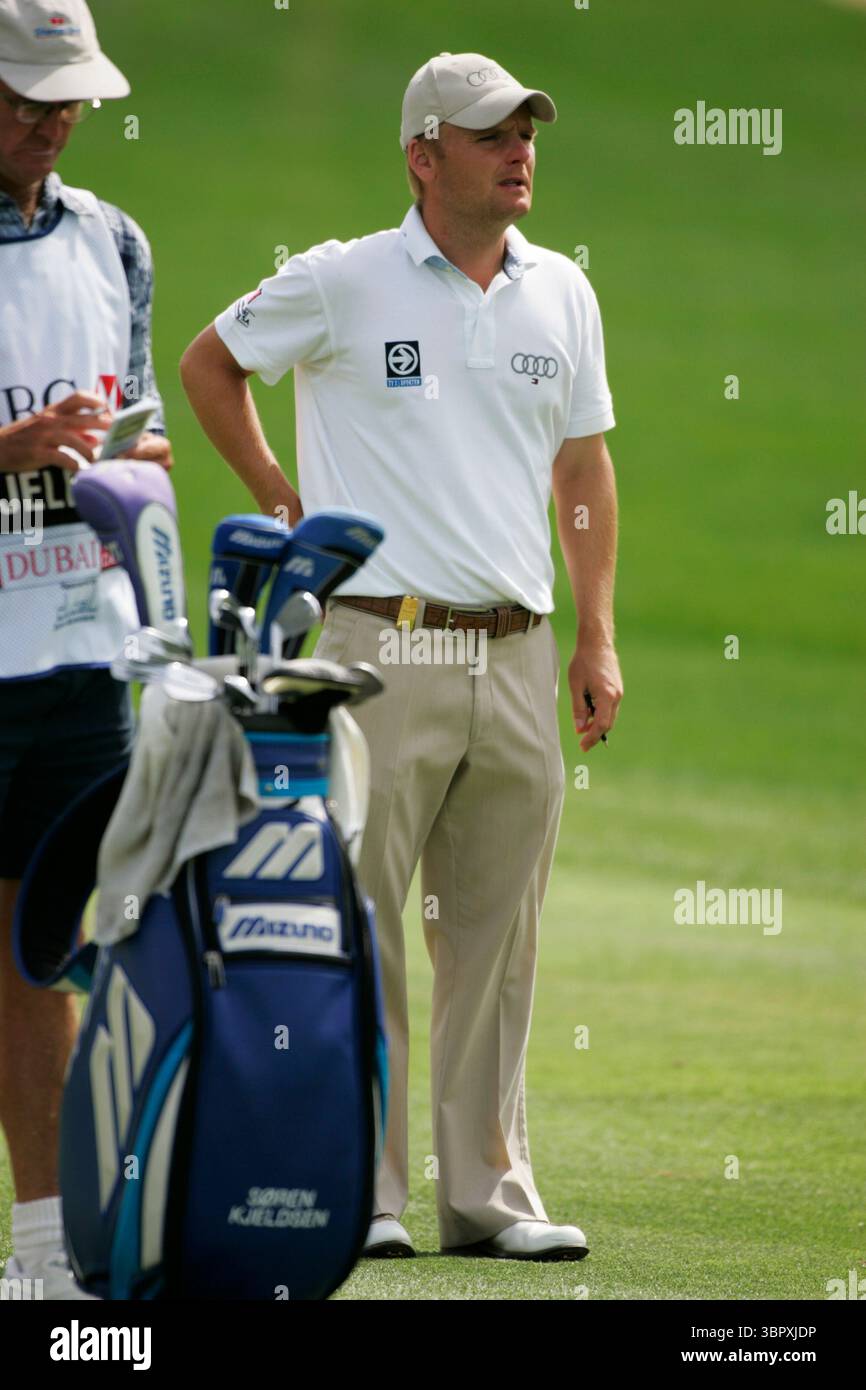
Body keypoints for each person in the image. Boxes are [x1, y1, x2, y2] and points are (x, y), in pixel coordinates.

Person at [181, 50, 622, 1262]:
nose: (518, 151)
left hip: (520, 651)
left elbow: (581, 472)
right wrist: (276, 493)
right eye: (489, 135)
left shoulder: (562, 294)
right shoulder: (342, 280)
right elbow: (210, 364)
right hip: (380, 642)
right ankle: (359, 1192)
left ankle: (487, 1197)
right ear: (423, 155)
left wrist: (596, 632)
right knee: (359, 920)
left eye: (525, 131)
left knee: (497, 938)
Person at [0, 0, 172, 1298]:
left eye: (69, 96)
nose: (54, 116)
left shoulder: (114, 241)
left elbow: (149, 428)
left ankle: (52, 1254)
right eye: (27, 94)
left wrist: (117, 458)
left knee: (40, 954)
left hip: (75, 653)